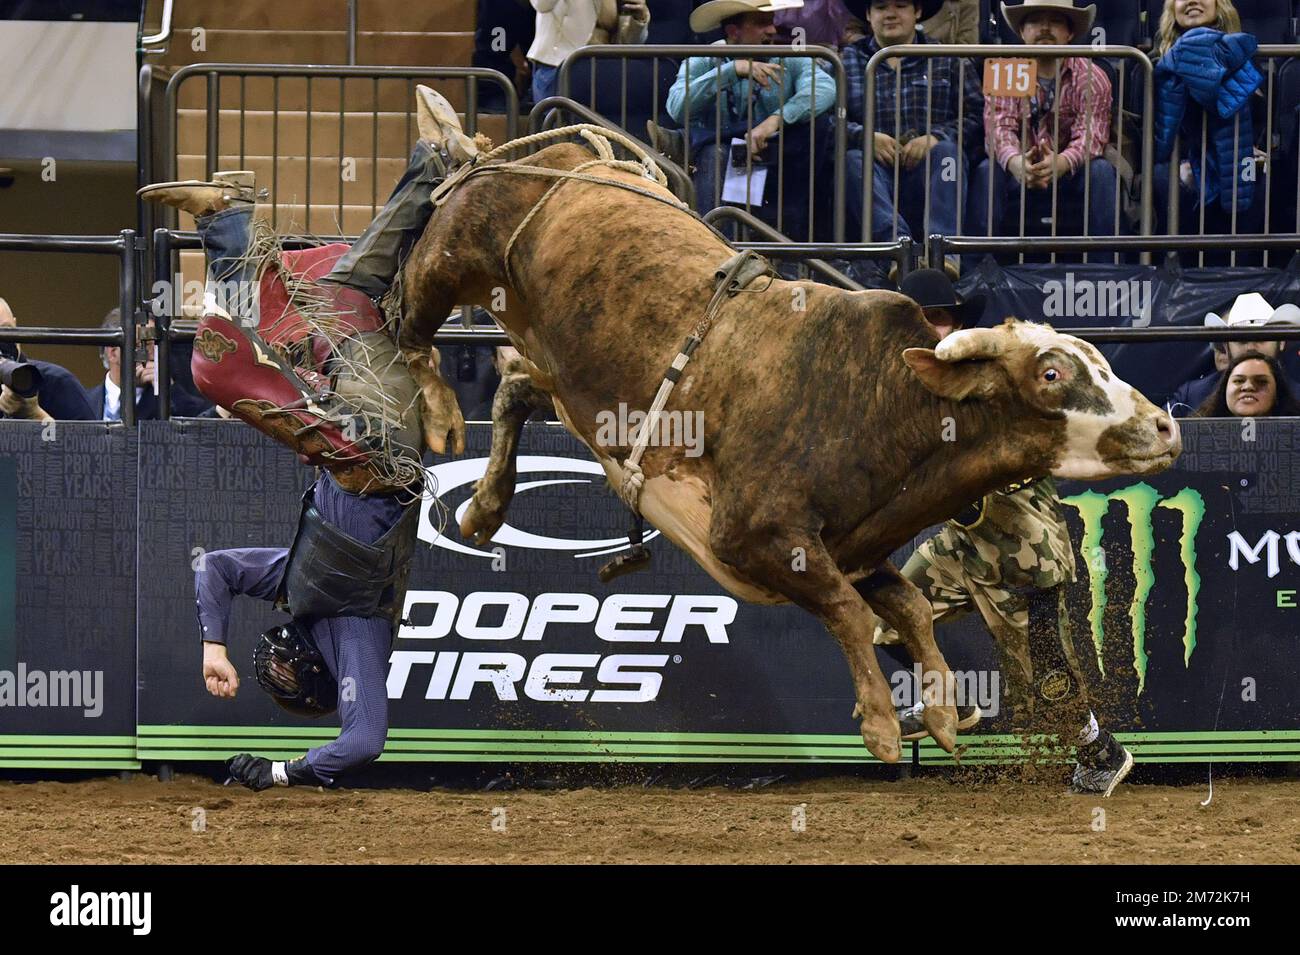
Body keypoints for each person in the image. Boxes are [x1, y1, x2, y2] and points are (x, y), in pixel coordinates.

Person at [138, 87, 476, 791]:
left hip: (364, 419)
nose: (283, 664)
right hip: (368, 447)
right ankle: (230, 225)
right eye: (292, 679)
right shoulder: (353, 632)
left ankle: (430, 163)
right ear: (320, 678)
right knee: (218, 370)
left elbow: (218, 569)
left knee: (345, 292)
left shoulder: (296, 586)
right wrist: (282, 771)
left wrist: (212, 646)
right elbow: (363, 741)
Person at [876, 267, 1135, 797]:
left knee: (1045, 681)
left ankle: (1100, 752)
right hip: (963, 540)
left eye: (940, 318)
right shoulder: (910, 391)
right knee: (892, 617)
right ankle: (950, 701)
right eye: (923, 319)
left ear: (955, 323)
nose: (932, 328)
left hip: (1022, 551)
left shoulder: (999, 380)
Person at [666, 0, 837, 241]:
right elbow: (676, 107)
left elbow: (825, 88)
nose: (772, 30)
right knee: (715, 153)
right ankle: (709, 247)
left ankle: (683, 140)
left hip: (777, 153)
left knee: (818, 128)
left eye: (771, 22)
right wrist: (730, 71)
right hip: (722, 156)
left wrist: (776, 120)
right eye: (760, 24)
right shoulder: (704, 58)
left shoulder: (787, 56)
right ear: (733, 32)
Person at [841, 0, 983, 272]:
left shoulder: (948, 57)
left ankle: (943, 254)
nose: (891, 14)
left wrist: (936, 137)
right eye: (881, 7)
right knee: (853, 160)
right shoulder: (846, 59)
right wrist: (865, 136)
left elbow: (977, 116)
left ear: (917, 12)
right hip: (877, 174)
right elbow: (829, 120)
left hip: (932, 173)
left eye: (901, 5)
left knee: (947, 153)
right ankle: (897, 253)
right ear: (868, 15)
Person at [968, 1, 1118, 244]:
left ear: (1070, 33)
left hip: (1071, 171)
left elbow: (1092, 134)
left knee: (1101, 171)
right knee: (987, 171)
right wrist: (1017, 162)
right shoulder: (1006, 70)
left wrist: (1062, 162)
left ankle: (1105, 268)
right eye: (1035, 21)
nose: (1045, 28)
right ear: (1021, 32)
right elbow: (999, 129)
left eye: (1056, 21)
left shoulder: (1093, 76)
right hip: (1018, 169)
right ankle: (976, 267)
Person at [1152, 0, 1268, 255]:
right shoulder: (1154, 64)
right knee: (1163, 177)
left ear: (1219, 5)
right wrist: (1186, 162)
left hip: (1233, 156)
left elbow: (1260, 118)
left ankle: (1243, 274)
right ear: (1172, 8)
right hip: (1178, 159)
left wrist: (1253, 148)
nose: (1192, 1)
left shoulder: (1243, 57)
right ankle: (1175, 273)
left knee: (1256, 174)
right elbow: (1153, 128)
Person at [1169, 293, 1300, 416]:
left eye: (1261, 338)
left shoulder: (1298, 396)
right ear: (1226, 346)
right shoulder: (1191, 397)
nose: (1251, 348)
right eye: (1241, 340)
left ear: (1281, 342)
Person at [87, 308, 214, 420]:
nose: (154, 355)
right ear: (113, 353)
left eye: (157, 345)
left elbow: (200, 425)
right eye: (145, 345)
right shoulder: (86, 401)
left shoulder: (173, 398)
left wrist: (168, 390)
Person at [527, 0, 650, 105]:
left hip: (604, 71)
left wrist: (638, 18)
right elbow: (541, 4)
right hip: (558, 68)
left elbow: (626, 44)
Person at [0, 296, 96, 421]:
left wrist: (34, 414)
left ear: (16, 326)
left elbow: (90, 440)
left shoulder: (58, 383)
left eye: (6, 330)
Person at [1194, 351, 1300, 417]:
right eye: (1238, 381)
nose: (1248, 387)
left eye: (1261, 381)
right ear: (1224, 390)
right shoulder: (1197, 434)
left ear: (1277, 393)